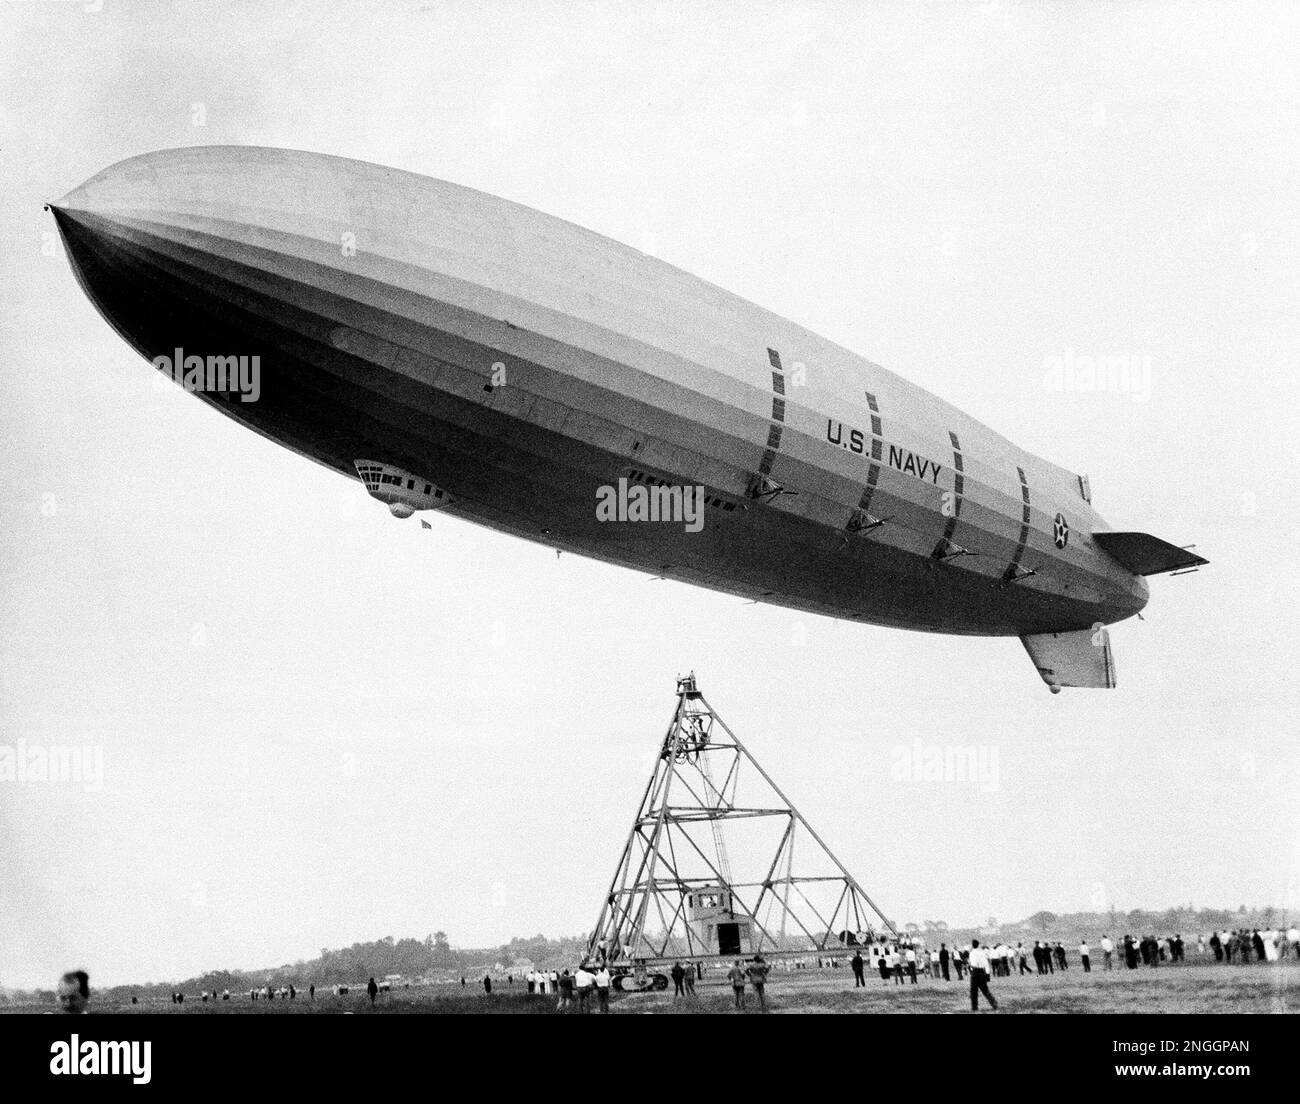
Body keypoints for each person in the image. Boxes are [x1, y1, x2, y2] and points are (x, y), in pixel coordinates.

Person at [967, 940, 997, 1012]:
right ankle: (993, 1003)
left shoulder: (971, 953)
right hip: (982, 972)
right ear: (978, 945)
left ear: (972, 945)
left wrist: (970, 969)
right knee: (985, 990)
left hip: (974, 972)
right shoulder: (982, 953)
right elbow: (986, 964)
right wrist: (987, 974)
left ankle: (974, 1007)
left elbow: (972, 964)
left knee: (974, 990)